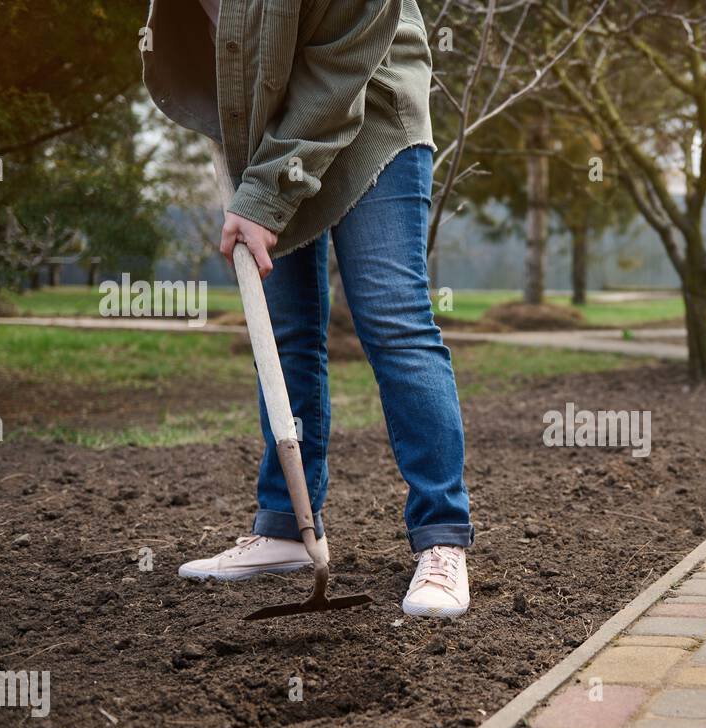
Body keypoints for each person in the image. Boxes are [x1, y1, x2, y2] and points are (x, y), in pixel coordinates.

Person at [142, 0, 472, 617]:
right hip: (266, 126)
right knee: (286, 329)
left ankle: (443, 540)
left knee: (393, 320)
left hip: (368, 108)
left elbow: (340, 68)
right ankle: (286, 528)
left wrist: (265, 197)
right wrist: (231, 132)